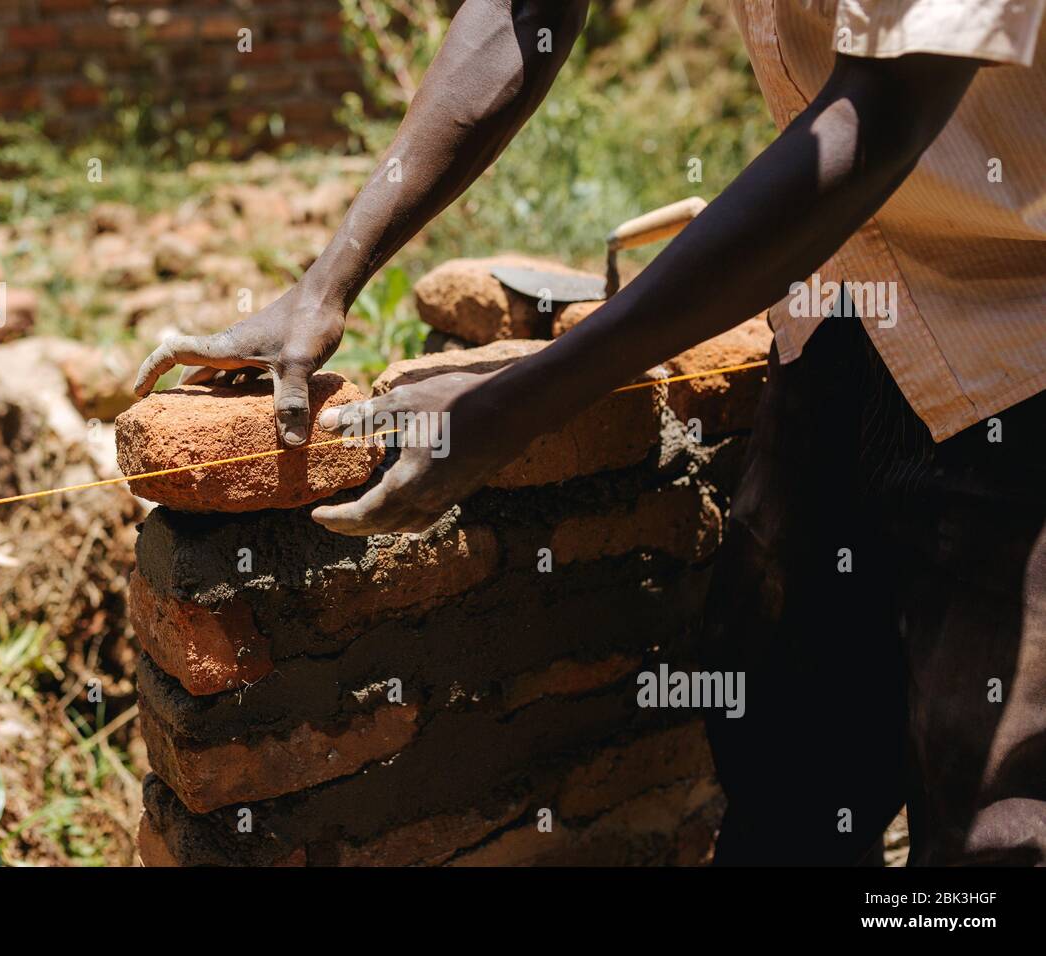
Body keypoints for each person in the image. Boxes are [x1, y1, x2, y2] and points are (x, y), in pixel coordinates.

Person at [133, 1, 1046, 865]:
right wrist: (325, 282)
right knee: (782, 753)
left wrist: (518, 403)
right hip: (842, 313)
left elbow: (879, 109)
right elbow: (526, 13)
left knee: (994, 830)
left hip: (1020, 347)